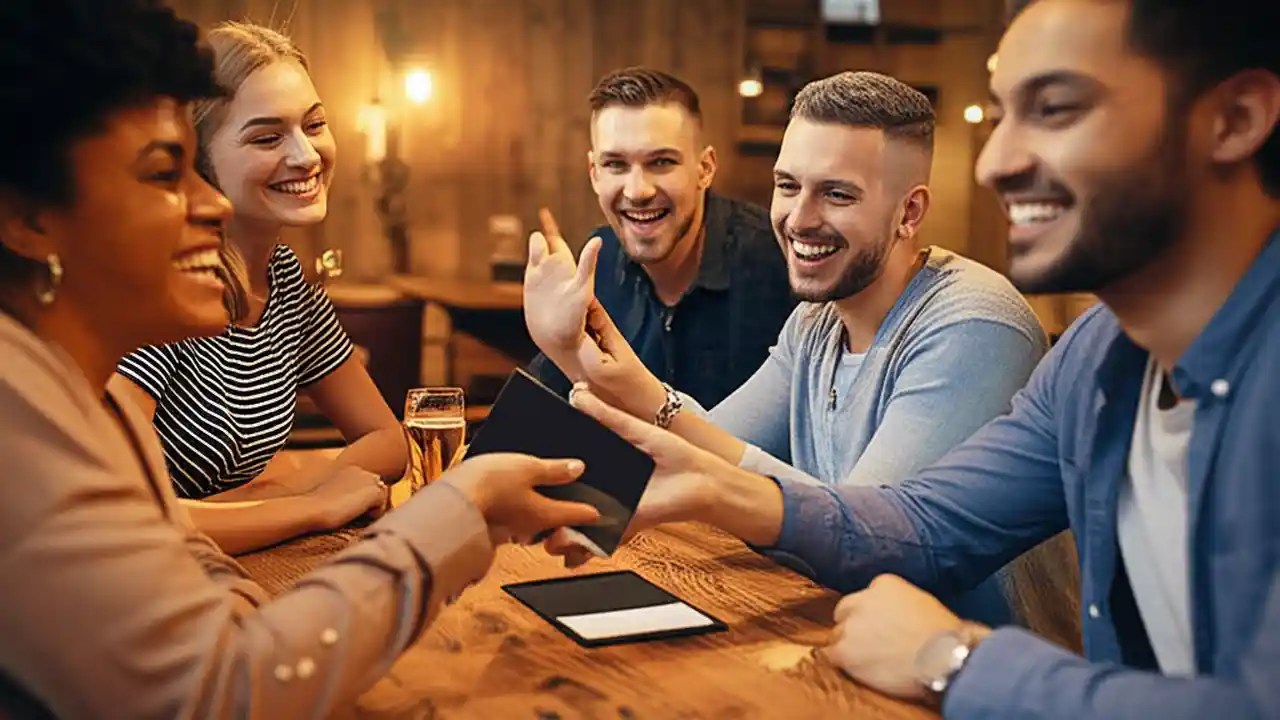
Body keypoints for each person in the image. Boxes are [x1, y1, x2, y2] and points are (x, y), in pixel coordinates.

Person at [552, 0, 1280, 716]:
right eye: (1001, 116)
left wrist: (955, 660)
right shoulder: (1093, 361)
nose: (995, 163)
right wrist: (703, 480)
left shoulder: (982, 320)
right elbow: (921, 527)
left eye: (1056, 108)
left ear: (1236, 120)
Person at [0, 2, 599, 717]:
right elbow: (229, 694)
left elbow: (177, 562)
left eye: (314, 124)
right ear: (29, 218)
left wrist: (288, 502)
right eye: (167, 174)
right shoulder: (21, 414)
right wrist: (455, 510)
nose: (211, 205)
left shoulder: (64, 384)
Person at [527, 71, 1063, 630]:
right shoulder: (815, 322)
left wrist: (705, 483)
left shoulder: (975, 325)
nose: (798, 219)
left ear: (909, 213)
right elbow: (716, 449)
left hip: (970, 682)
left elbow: (872, 543)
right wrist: (579, 355)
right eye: (788, 186)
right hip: (840, 641)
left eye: (837, 194)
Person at [112, 22, 409, 554]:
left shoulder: (286, 279)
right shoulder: (168, 287)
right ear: (197, 161)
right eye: (267, 137)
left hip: (233, 571)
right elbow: (123, 522)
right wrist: (311, 502)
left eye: (314, 124)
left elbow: (389, 443)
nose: (307, 156)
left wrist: (277, 485)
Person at [525, 67, 795, 409]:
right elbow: (539, 413)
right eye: (616, 165)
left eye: (662, 162)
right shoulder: (598, 262)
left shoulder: (779, 264)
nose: (638, 191)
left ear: (705, 168)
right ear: (594, 174)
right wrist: (553, 343)